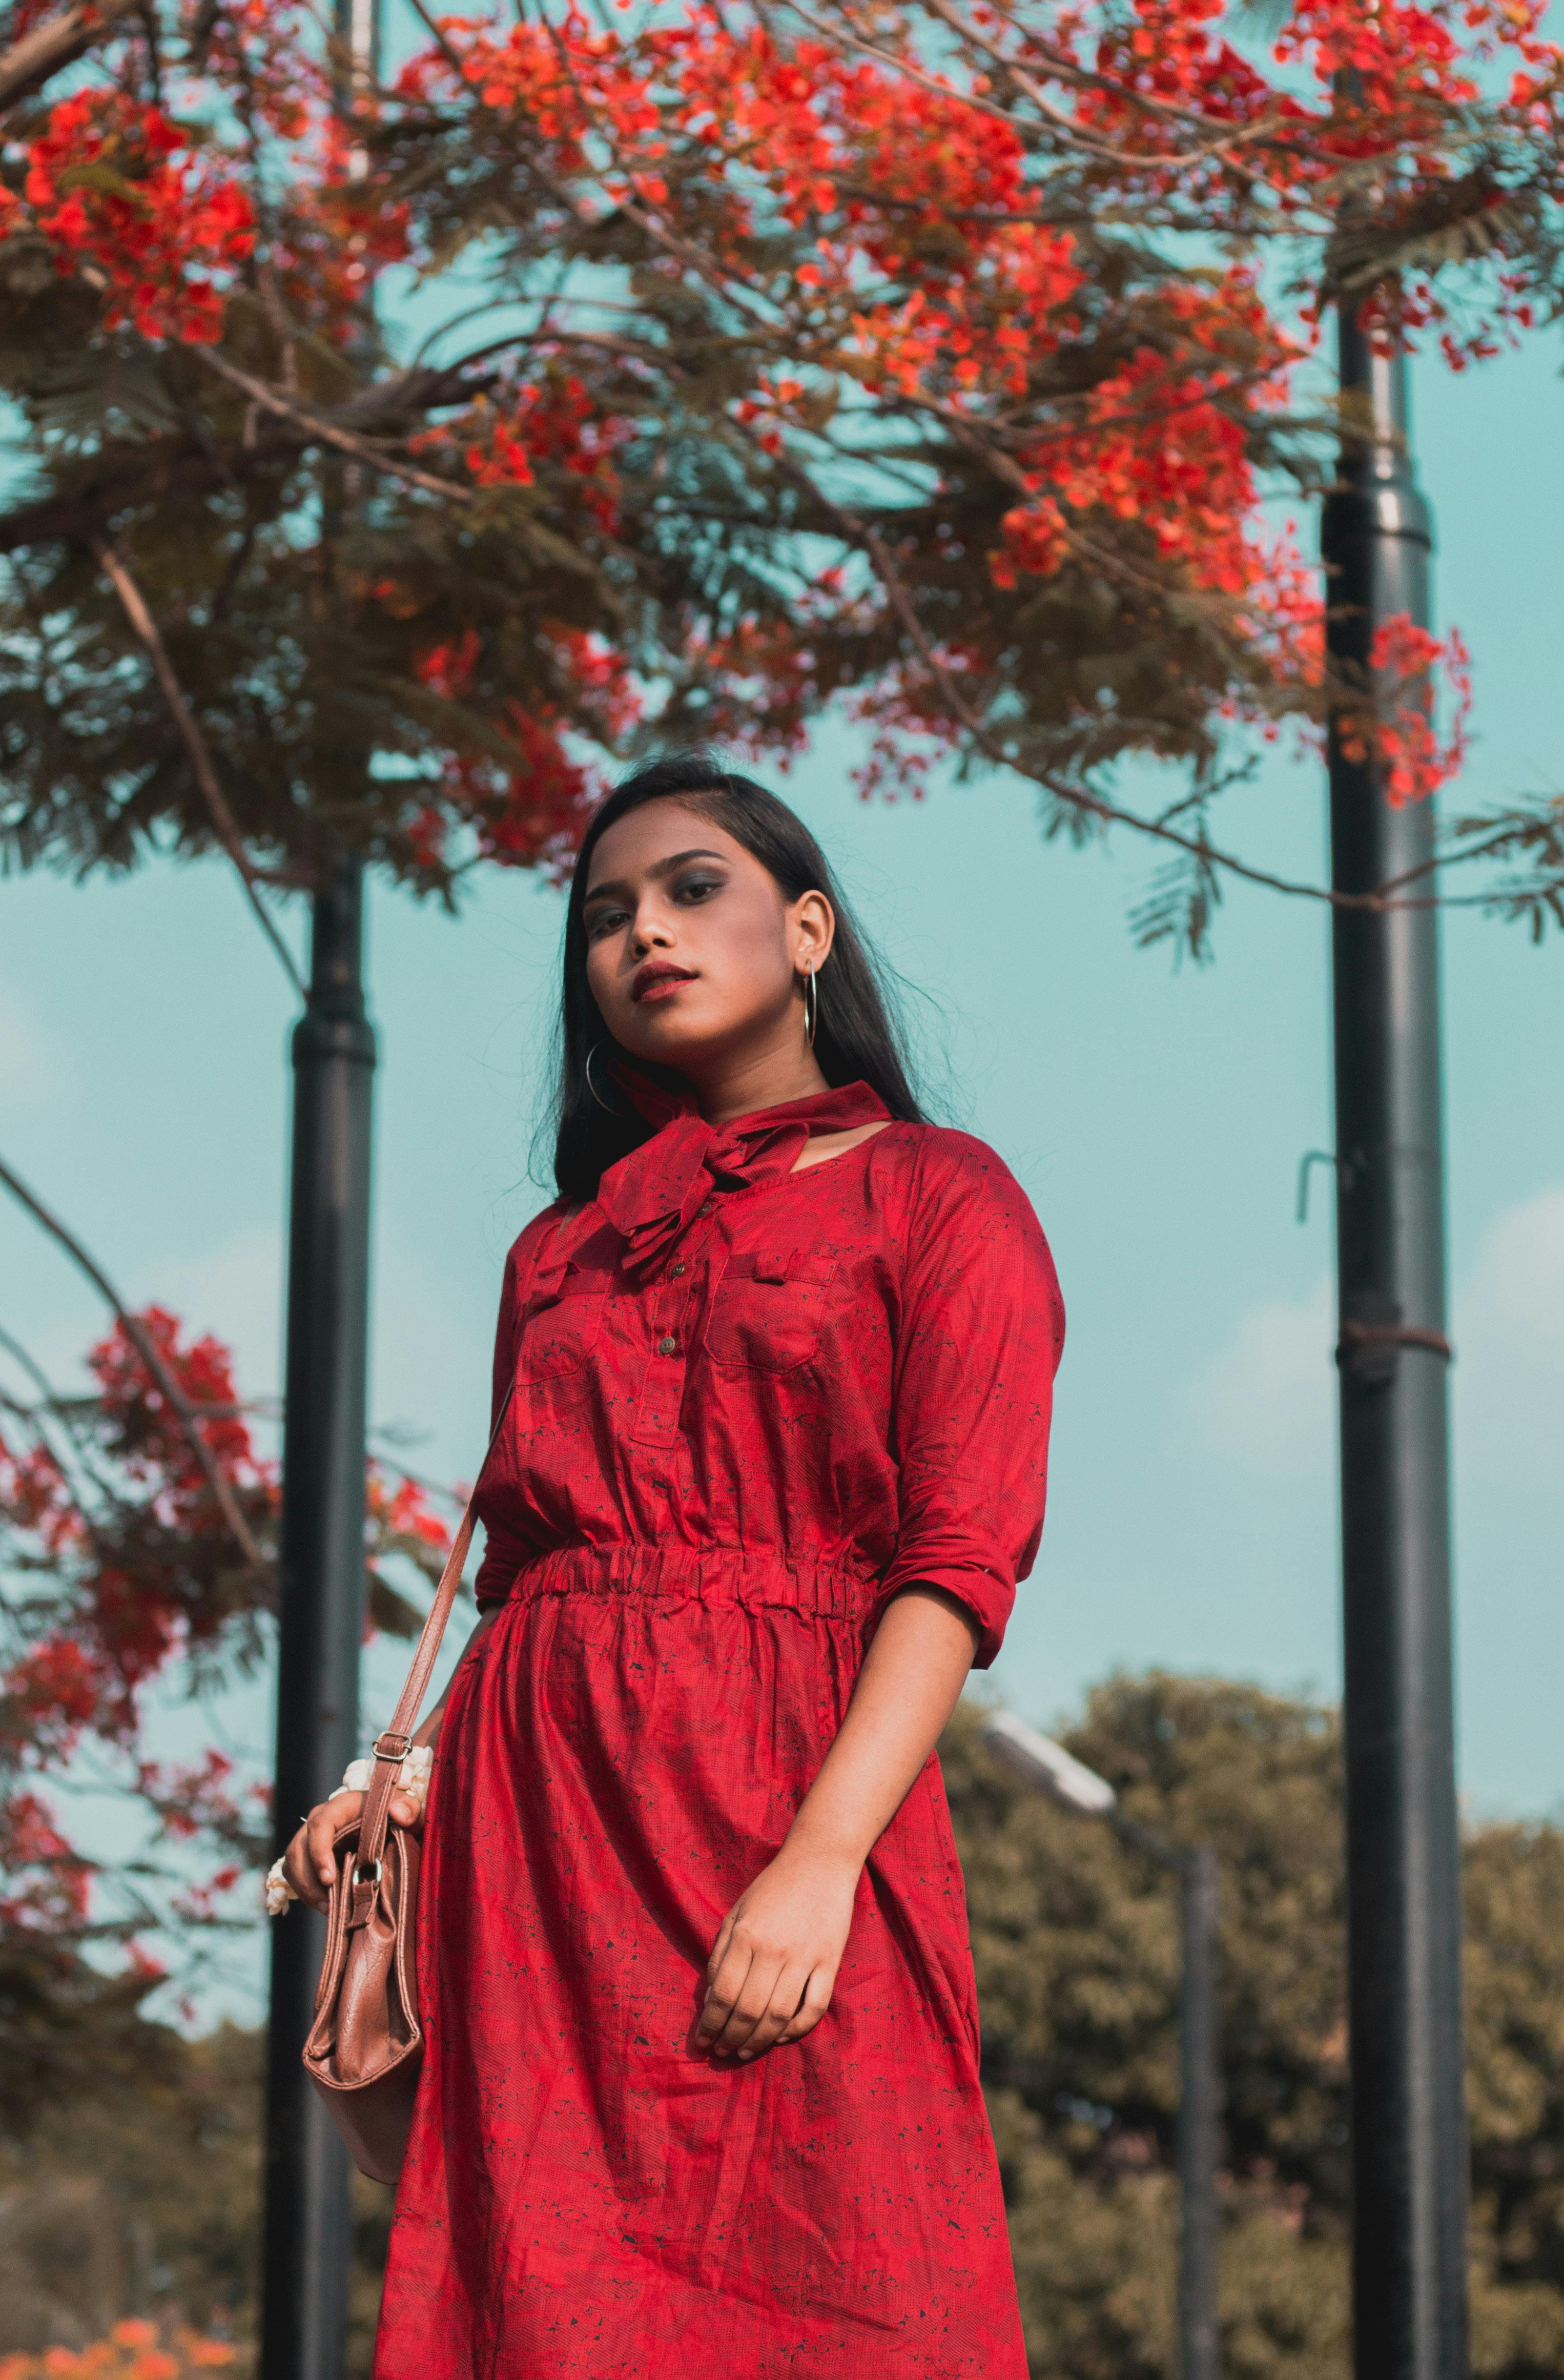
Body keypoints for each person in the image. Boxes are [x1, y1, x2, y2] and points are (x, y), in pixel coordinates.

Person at [284, 749, 1065, 2376]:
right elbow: (519, 1577)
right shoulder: (558, 1251)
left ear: (805, 931)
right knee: (551, 2309)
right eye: (606, 915)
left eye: (691, 889)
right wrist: (407, 1788)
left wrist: (820, 1862)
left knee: (856, 2285)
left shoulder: (942, 1197)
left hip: (786, 1798)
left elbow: (956, 1562)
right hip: (538, 1842)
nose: (645, 931)